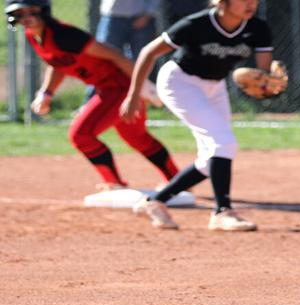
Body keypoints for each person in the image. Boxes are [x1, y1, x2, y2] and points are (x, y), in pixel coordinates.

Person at [120, 0, 275, 231]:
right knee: (223, 143)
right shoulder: (196, 24)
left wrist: (267, 86)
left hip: (215, 86)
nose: (251, 4)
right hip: (179, 83)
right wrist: (134, 95)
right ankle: (222, 212)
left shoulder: (258, 28)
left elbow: (264, 74)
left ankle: (154, 202)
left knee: (212, 156)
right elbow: (148, 52)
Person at [6, 2, 181, 191]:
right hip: (107, 88)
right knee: (136, 136)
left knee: (81, 135)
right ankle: (176, 180)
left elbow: (115, 55)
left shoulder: (65, 35)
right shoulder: (34, 35)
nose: (26, 17)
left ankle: (114, 183)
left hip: (118, 87)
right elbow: (57, 63)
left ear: (42, 10)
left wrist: (143, 88)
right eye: (19, 13)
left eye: (30, 11)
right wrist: (46, 92)